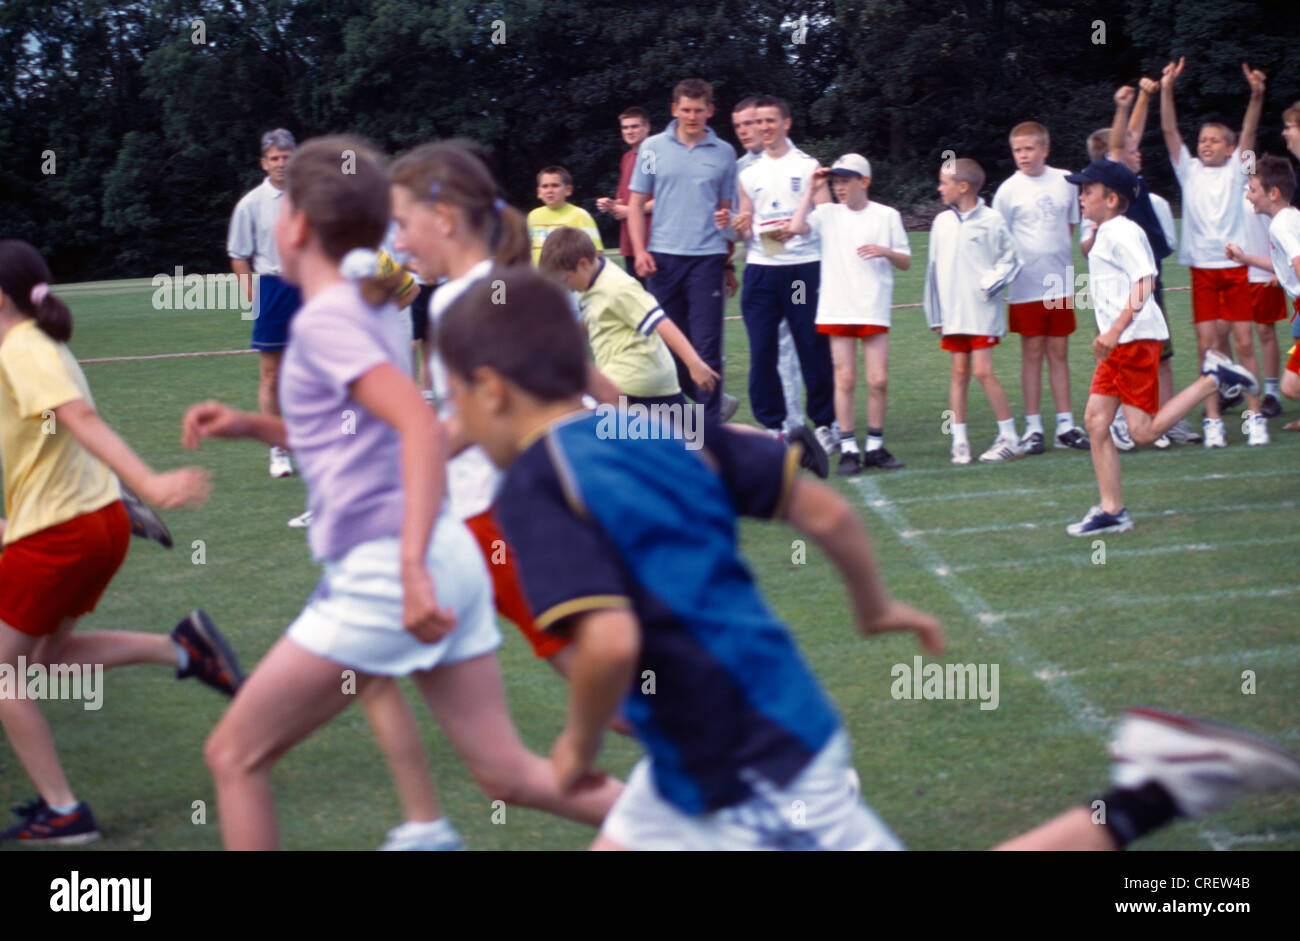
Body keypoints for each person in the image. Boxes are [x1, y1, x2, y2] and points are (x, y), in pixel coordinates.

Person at [437, 265, 1300, 850]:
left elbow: (611, 646)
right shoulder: (651, 427)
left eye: (450, 396)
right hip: (711, 748)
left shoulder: (530, 488)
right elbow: (821, 508)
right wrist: (873, 607)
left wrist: (571, 753)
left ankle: (1154, 789)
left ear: (488, 389)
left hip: (750, 756)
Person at [184, 137, 621, 850]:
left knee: (234, 755)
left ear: (292, 226)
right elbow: (369, 430)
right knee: (506, 773)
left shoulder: (331, 316)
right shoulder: (372, 302)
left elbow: (418, 425)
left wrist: (411, 565)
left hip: (393, 565)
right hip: (446, 552)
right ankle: (694, 820)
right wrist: (254, 425)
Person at [0, 239, 239, 846]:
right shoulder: (34, 345)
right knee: (46, 662)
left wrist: (152, 482)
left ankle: (65, 812)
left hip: (63, 529)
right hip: (93, 521)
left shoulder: (23, 349)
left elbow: (79, 420)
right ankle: (183, 650)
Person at [1065, 160, 1260, 536]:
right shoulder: (1106, 231)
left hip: (1132, 341)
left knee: (1141, 433)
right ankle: (1112, 510)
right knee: (1096, 421)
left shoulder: (1122, 231)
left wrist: (1114, 331)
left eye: (1088, 191)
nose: (1081, 197)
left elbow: (1145, 280)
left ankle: (1211, 380)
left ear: (1112, 198)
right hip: (1119, 344)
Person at [1158, 58, 1268, 447]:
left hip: (1234, 267)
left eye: (1215, 140)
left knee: (1242, 343)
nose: (1206, 144)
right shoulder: (1188, 170)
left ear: (1230, 147)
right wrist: (1167, 88)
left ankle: (1254, 417)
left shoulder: (1237, 168)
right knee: (1208, 349)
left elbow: (1250, 131)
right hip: (1202, 271)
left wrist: (1256, 95)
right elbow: (1169, 128)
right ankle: (1213, 421)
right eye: (1203, 139)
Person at [1095, 81, 1201, 449]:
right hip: (1131, 289)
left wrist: (1140, 98)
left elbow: (1127, 139)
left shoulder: (1137, 191)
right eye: (1127, 148)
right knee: (1133, 357)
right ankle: (1135, 420)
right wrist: (1135, 100)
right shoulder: (1119, 182)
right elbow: (1124, 140)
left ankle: (1165, 421)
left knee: (1161, 356)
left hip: (1147, 285)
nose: (1135, 150)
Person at [788, 155, 910, 473]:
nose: (840, 188)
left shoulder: (887, 215)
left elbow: (906, 261)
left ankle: (875, 446)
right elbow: (796, 227)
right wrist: (811, 190)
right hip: (836, 306)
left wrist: (885, 251)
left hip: (873, 305)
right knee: (844, 379)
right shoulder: (827, 213)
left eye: (846, 181)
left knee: (878, 379)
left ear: (864, 182)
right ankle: (848, 448)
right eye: (836, 182)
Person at [729, 95, 837, 454]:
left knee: (810, 344)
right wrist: (738, 226)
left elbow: (828, 217)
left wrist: (801, 228)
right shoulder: (748, 173)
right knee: (762, 351)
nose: (762, 127)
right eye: (757, 122)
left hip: (798, 273)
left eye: (770, 121)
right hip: (761, 272)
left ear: (786, 123)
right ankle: (773, 426)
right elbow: (745, 227)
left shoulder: (808, 167)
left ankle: (825, 423)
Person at [627, 78, 737, 423]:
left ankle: (708, 430)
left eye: (699, 110)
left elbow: (727, 211)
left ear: (710, 111)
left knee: (707, 347)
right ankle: (684, 416)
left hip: (707, 259)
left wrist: (728, 259)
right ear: (674, 110)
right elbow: (635, 203)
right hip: (662, 259)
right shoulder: (652, 149)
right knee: (666, 345)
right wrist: (641, 251)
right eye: (686, 110)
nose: (692, 116)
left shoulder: (724, 153)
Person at [539, 226, 718, 409]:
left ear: (583, 264)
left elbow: (660, 321)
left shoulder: (617, 287)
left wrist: (694, 363)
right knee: (689, 435)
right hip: (638, 383)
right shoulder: (587, 282)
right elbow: (592, 318)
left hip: (636, 380)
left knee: (585, 420)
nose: (566, 288)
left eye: (565, 280)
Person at [992, 122, 1089, 454]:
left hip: (1058, 282)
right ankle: (1033, 427)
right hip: (1025, 284)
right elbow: (999, 237)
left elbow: (1071, 224)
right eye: (1018, 150)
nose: (1023, 155)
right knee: (1032, 354)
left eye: (1030, 148)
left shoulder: (1065, 181)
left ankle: (1066, 424)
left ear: (1045, 150)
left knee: (1059, 353)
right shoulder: (1007, 190)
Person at [923, 158, 1024, 464]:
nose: (940, 188)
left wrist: (991, 283)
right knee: (958, 373)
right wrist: (935, 314)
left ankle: (1010, 437)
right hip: (952, 315)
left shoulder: (992, 220)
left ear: (963, 187)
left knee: (982, 371)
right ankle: (959, 440)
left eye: (944, 182)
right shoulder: (941, 223)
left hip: (982, 313)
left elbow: (1013, 259)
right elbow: (933, 270)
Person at [228, 128, 302, 478]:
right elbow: (239, 256)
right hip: (271, 288)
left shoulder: (311, 198)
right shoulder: (250, 204)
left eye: (287, 157)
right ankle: (279, 449)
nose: (281, 164)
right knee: (271, 375)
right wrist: (253, 297)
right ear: (264, 162)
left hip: (310, 287)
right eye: (274, 158)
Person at [732, 95, 805, 434]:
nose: (747, 131)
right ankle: (784, 423)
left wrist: (770, 246)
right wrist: (734, 226)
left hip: (792, 269)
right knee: (770, 349)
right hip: (761, 269)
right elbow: (739, 222)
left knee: (793, 345)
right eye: (740, 126)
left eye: (751, 123)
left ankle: (797, 423)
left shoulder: (797, 164)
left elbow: (808, 222)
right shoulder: (741, 169)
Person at [1226, 155, 1300, 413]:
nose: (1248, 196)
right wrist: (1244, 258)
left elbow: (1299, 262)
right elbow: (1283, 266)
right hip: (1297, 305)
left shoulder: (1280, 225)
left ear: (1274, 193)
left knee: (1291, 387)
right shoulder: (1289, 217)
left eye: (1253, 190)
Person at [596, 107, 654, 285]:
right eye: (625, 127)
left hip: (652, 243)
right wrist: (611, 204)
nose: (629, 131)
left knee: (657, 303)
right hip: (630, 244)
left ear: (647, 127)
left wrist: (629, 211)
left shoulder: (654, 156)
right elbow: (625, 199)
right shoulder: (627, 158)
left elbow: (668, 199)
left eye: (635, 126)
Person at [527, 166, 603, 265]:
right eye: (545, 186)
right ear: (539, 192)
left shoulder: (580, 216)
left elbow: (596, 253)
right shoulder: (533, 216)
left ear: (568, 190)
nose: (550, 190)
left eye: (555, 185)